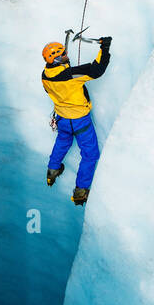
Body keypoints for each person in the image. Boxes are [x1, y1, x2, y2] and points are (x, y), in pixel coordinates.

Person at [41, 37, 111, 205]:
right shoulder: (70, 75)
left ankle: (52, 170)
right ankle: (80, 191)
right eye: (63, 54)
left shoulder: (45, 75)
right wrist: (105, 48)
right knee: (90, 153)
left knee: (62, 142)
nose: (67, 55)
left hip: (62, 118)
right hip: (78, 119)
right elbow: (96, 70)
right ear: (57, 59)